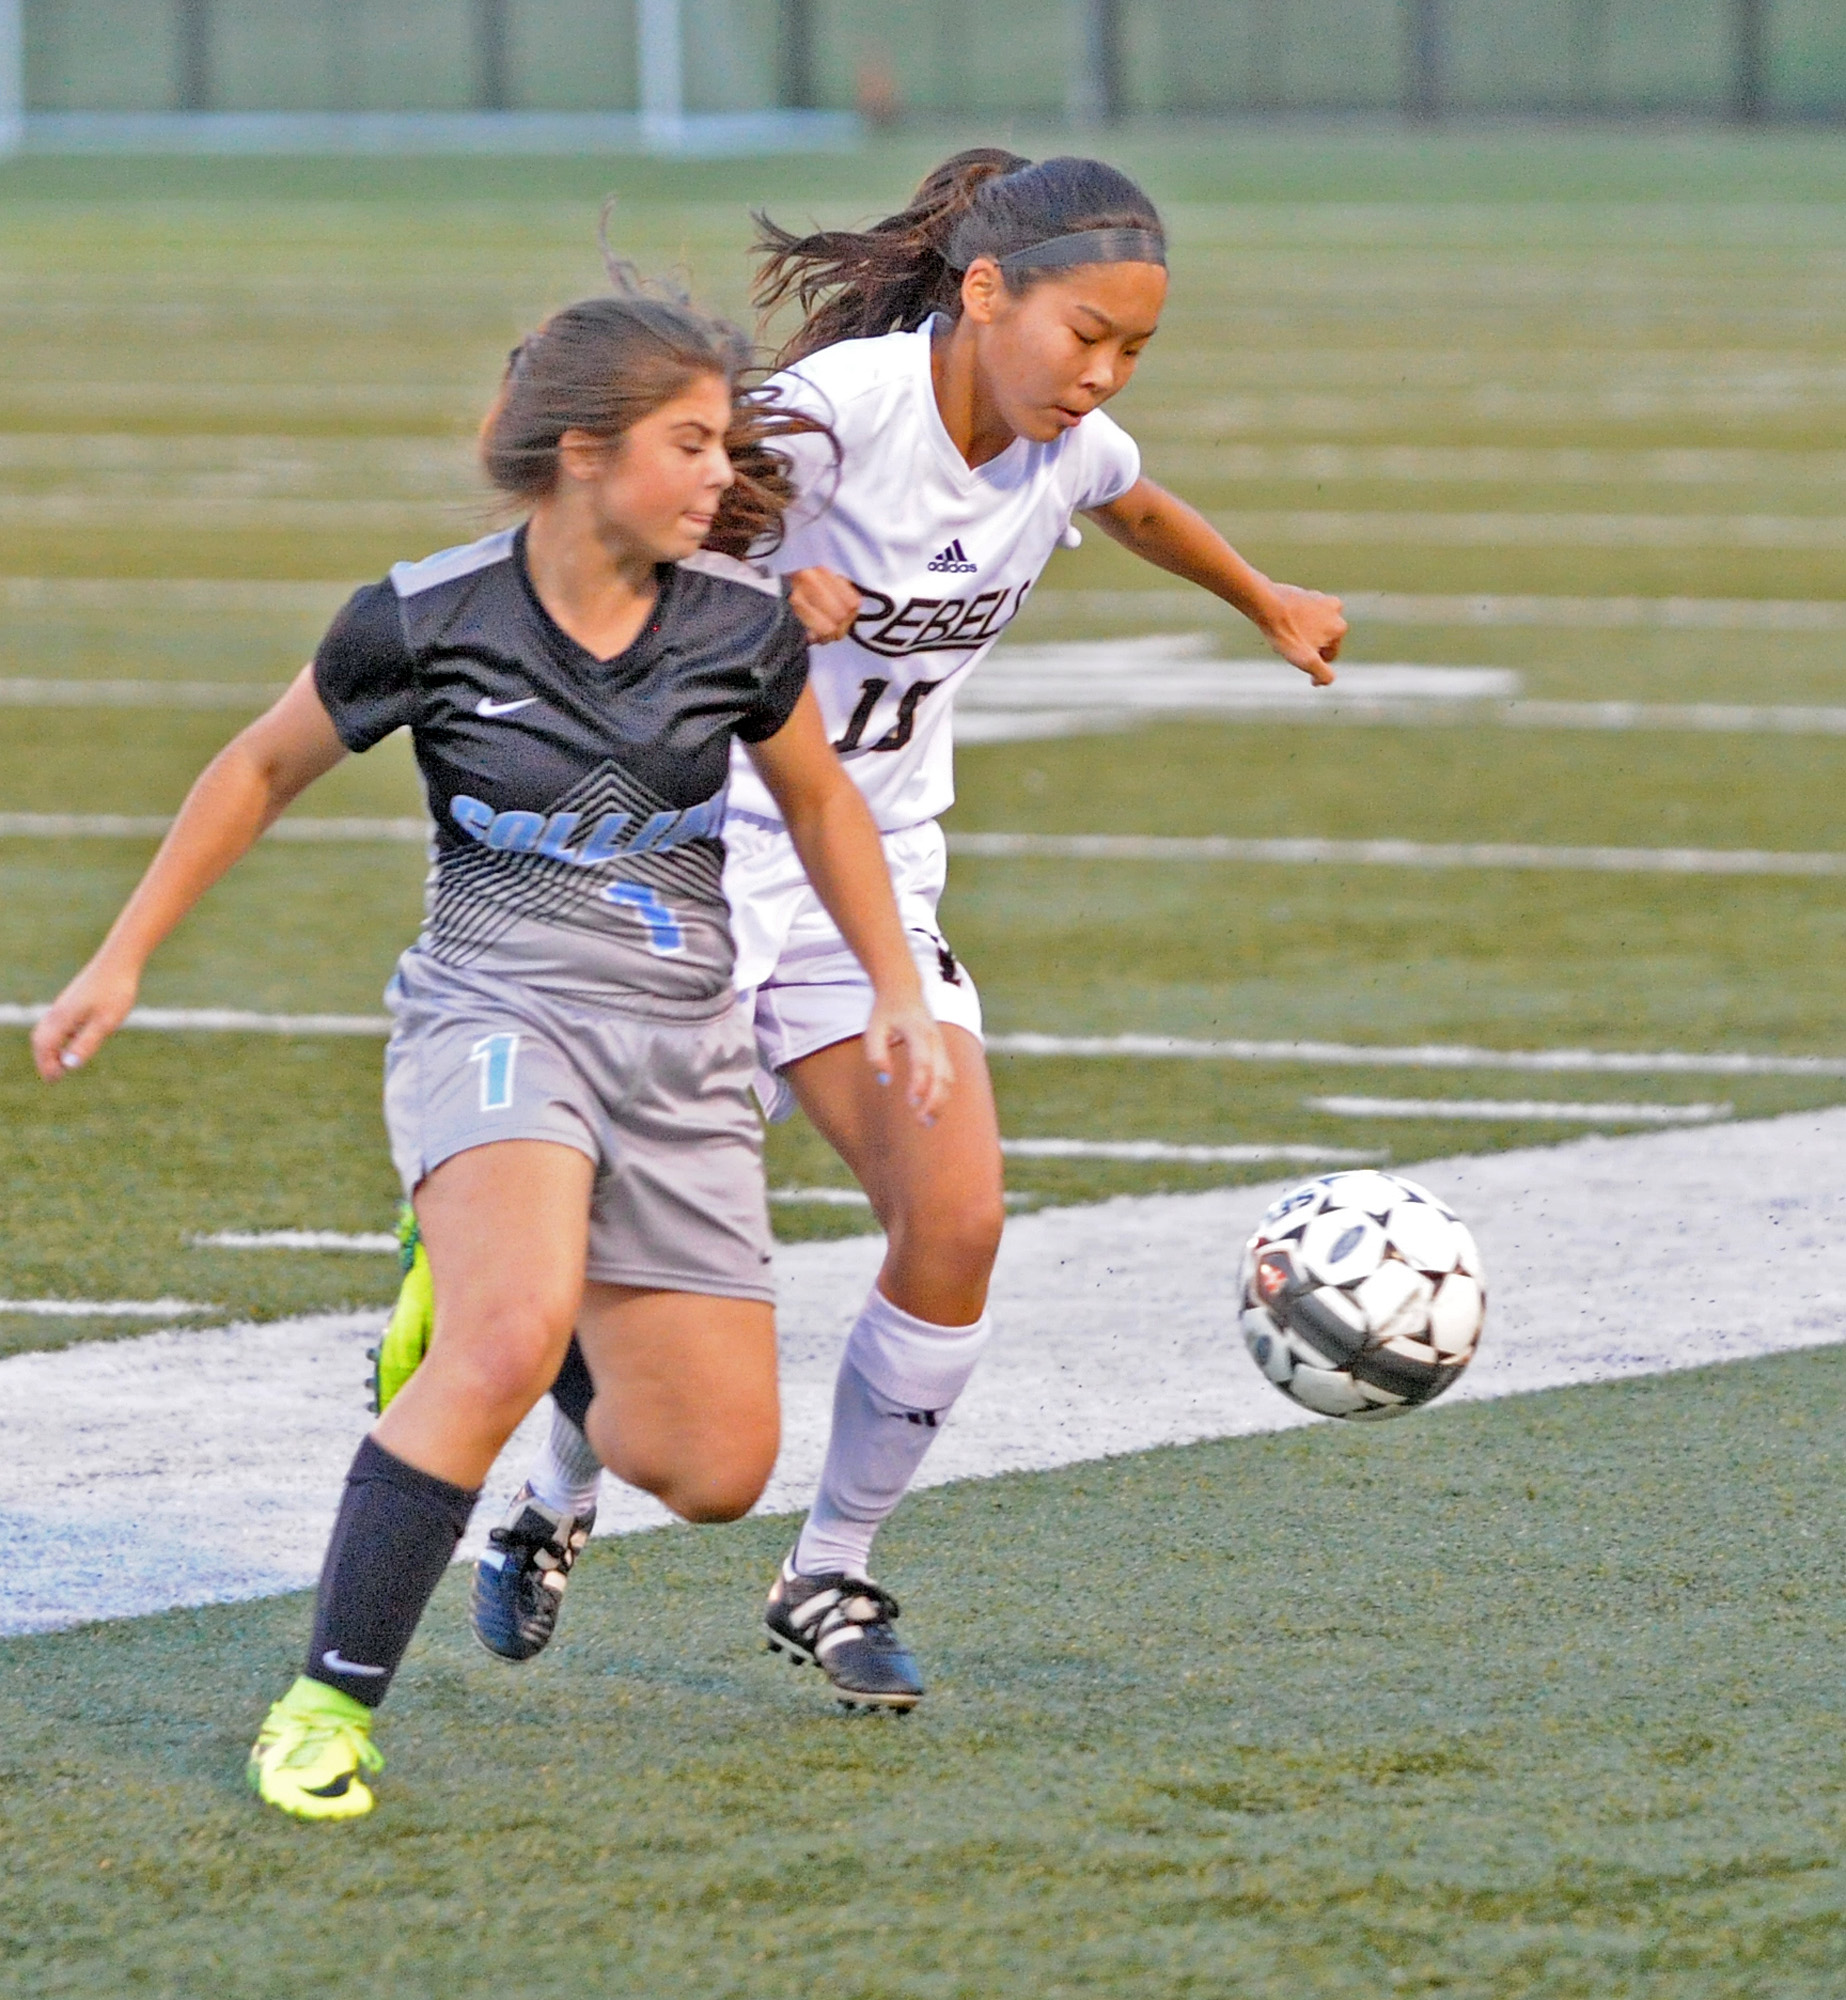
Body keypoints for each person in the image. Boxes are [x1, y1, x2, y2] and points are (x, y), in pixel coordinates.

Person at [397, 149, 1349, 1712]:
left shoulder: (1067, 441)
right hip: (683, 866)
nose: (1102, 375)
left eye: (1134, 350)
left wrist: (1263, 598)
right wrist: (763, 588)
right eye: (1083, 336)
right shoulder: (836, 410)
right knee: (613, 1270)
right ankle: (553, 1492)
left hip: (864, 886)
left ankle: (830, 1568)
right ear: (985, 293)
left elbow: (1134, 497)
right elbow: (619, 530)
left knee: (957, 1216)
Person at [29, 277, 951, 1820]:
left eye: (725, 443)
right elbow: (258, 768)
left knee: (712, 1468)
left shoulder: (736, 632)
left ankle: (542, 1309)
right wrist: (122, 957)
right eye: (689, 443)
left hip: (680, 1057)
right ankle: (327, 1708)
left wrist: (895, 989)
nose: (723, 475)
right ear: (583, 452)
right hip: (493, 1015)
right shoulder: (424, 617)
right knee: (499, 1329)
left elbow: (817, 808)